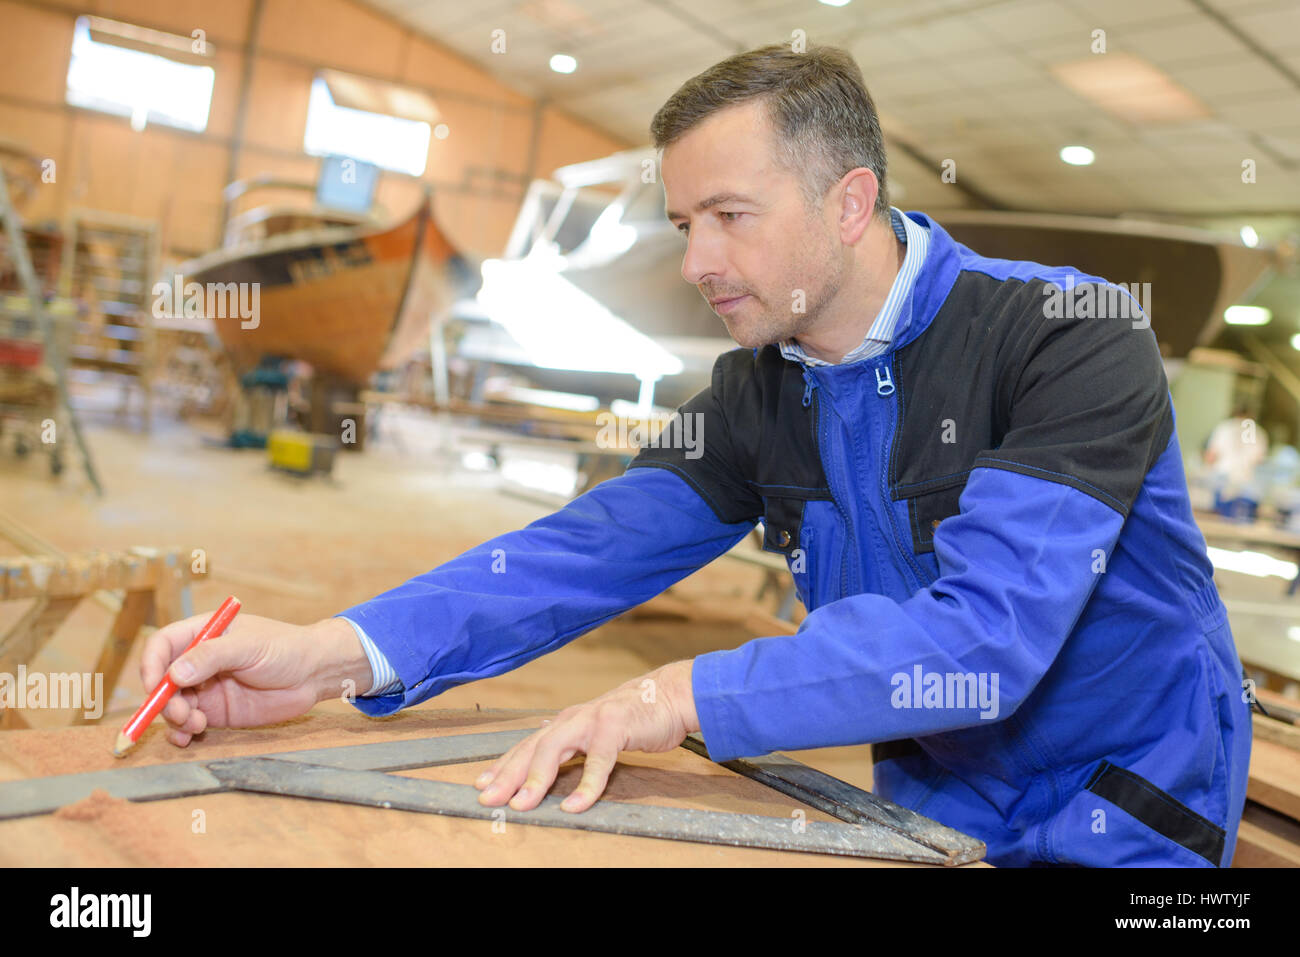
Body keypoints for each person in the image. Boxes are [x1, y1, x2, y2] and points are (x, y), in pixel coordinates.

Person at [143, 43, 1250, 868]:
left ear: (849, 200)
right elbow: (583, 551)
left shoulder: (1070, 334)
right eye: (683, 225)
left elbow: (989, 636)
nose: (697, 262)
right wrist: (336, 652)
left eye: (729, 215)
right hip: (939, 787)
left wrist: (679, 694)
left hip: (1132, 793)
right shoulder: (758, 389)